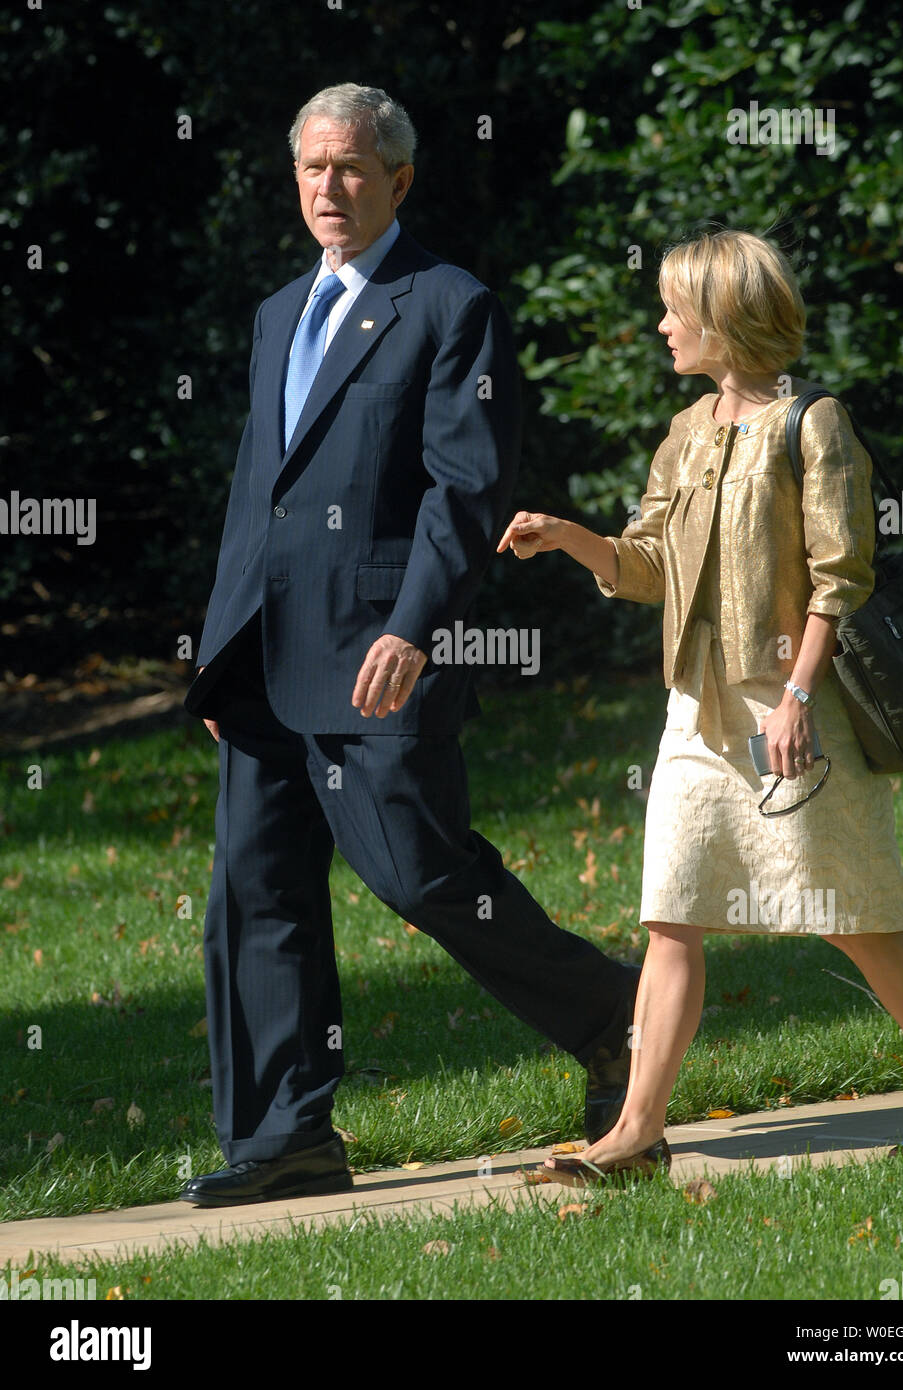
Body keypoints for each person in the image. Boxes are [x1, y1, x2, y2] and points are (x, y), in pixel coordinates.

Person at [180, 84, 638, 1207]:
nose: (328, 190)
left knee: (422, 872)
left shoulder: (448, 304)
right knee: (256, 889)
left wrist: (411, 628)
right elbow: (259, 495)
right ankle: (285, 1135)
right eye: (310, 170)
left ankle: (620, 1020)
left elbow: (466, 488)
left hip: (377, 652)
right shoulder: (278, 315)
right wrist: (218, 650)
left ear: (399, 179)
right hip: (262, 664)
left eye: (349, 169)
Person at [499, 229, 903, 1185]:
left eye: (678, 309)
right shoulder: (686, 431)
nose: (663, 324)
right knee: (672, 913)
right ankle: (635, 1133)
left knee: (852, 913)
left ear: (726, 317)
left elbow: (841, 578)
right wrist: (570, 539)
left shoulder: (814, 424)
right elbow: (647, 568)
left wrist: (796, 696)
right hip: (695, 711)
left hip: (793, 706)